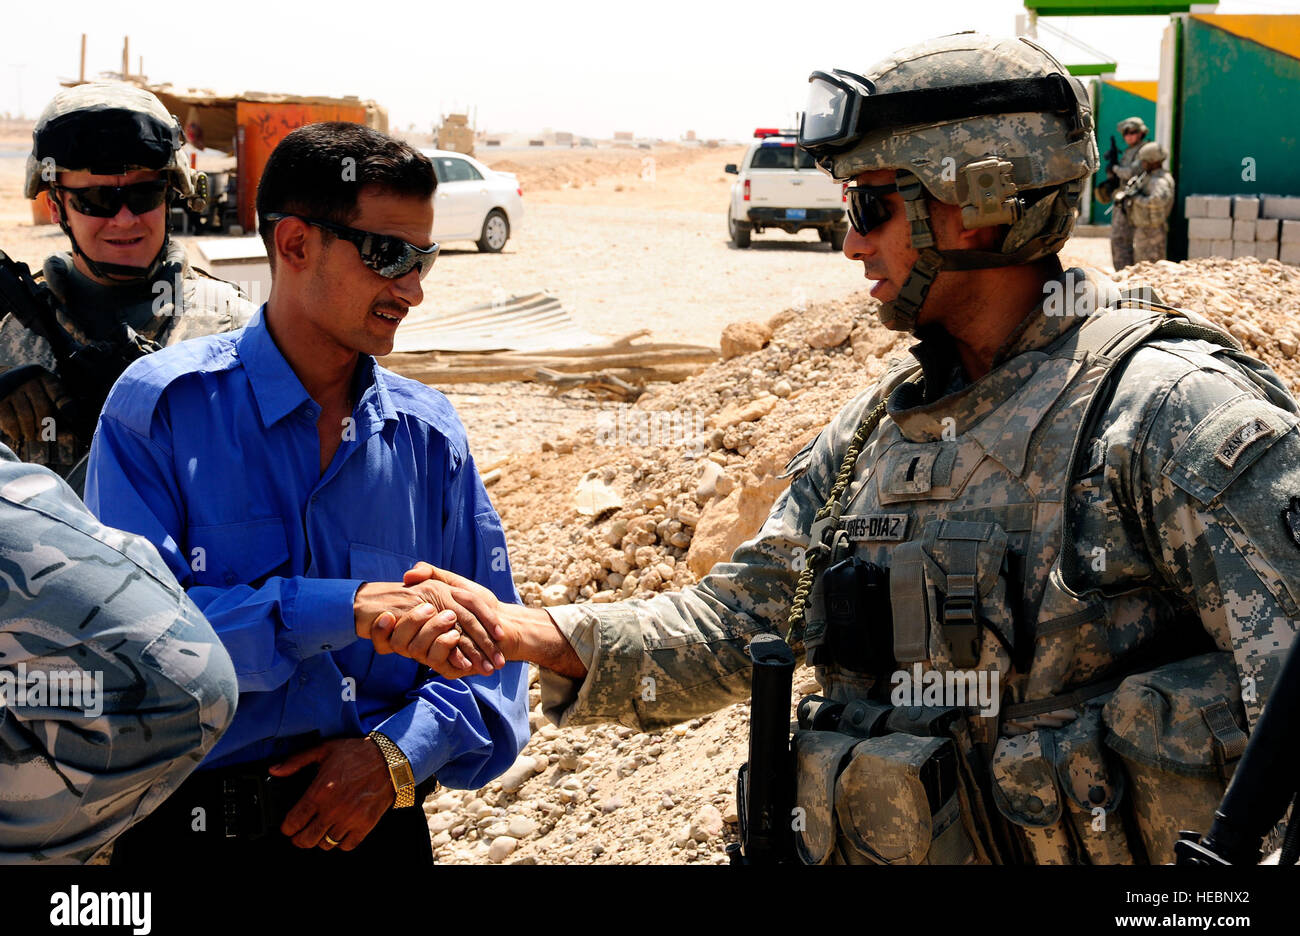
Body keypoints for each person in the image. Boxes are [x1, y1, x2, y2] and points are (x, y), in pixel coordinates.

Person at [385, 33, 1300, 865]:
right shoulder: (873, 433)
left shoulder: (1172, 417)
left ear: (978, 203)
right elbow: (741, 626)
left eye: (871, 204)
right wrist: (531, 632)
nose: (851, 241)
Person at [85, 121, 529, 865]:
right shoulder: (161, 411)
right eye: (390, 255)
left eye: (426, 259)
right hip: (190, 834)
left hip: (375, 830)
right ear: (295, 245)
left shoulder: (430, 439)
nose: (412, 289)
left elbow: (493, 662)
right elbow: (129, 650)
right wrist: (342, 608)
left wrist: (396, 756)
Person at [0, 82, 253, 492]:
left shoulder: (237, 330)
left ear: (171, 196)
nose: (124, 219)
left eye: (144, 194)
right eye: (97, 199)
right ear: (55, 208)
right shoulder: (9, 339)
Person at [0, 443, 236, 864]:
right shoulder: (158, 404)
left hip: (368, 793)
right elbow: (177, 676)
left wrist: (393, 756)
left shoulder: (395, 422)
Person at [1117, 141, 1176, 263]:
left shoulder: (1160, 180)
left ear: (1153, 162)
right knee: (1141, 265)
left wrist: (1136, 197)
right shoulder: (1148, 177)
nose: (1142, 164)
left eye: (1144, 161)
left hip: (1152, 232)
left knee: (1151, 267)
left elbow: (1157, 201)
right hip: (1144, 230)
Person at [1107, 116, 1149, 271]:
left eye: (1132, 132)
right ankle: (1122, 271)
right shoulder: (1129, 151)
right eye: (1126, 133)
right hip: (1124, 199)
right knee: (1118, 239)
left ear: (1141, 133)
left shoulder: (1144, 151)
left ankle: (1127, 272)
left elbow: (1131, 172)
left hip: (1134, 201)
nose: (1129, 136)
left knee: (1123, 238)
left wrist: (1115, 169)